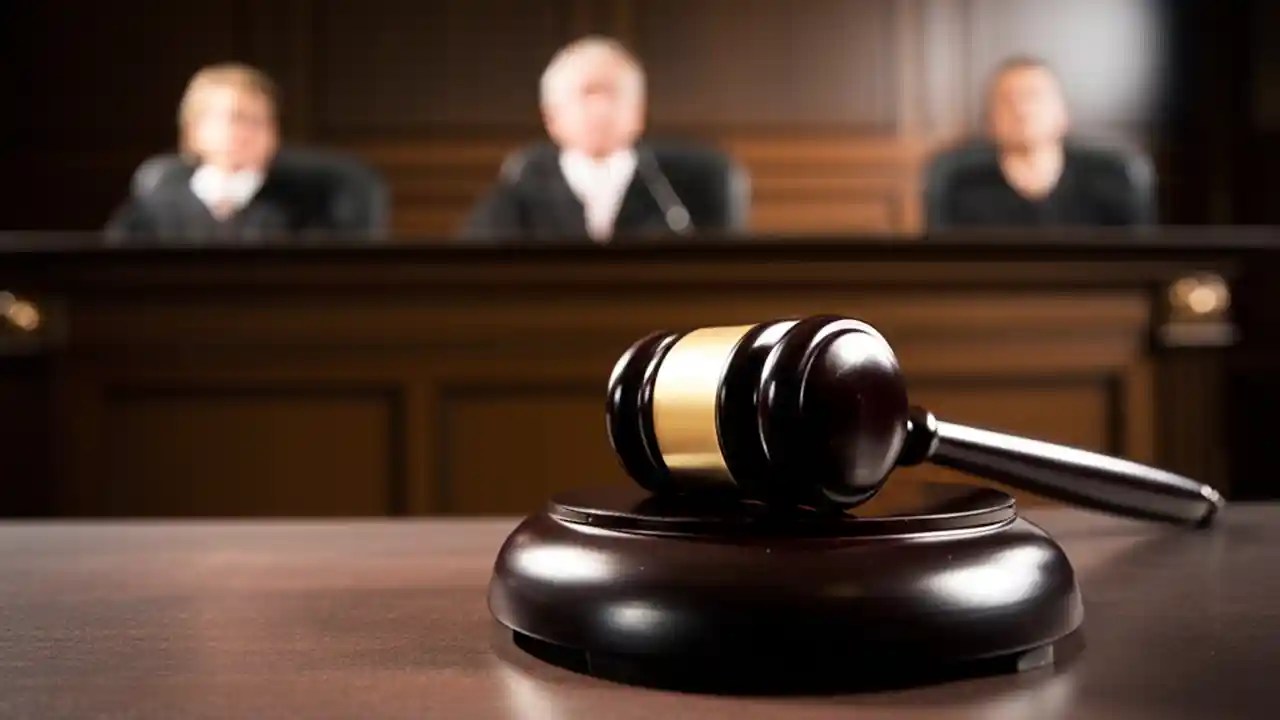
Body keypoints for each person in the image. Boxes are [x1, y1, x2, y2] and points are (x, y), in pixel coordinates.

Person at [461, 36, 747, 241]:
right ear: (550, 117)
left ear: (639, 112)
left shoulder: (679, 190)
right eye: (585, 94)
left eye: (613, 93)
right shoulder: (517, 194)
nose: (600, 110)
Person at [107, 63, 384, 240]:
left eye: (259, 121)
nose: (246, 132)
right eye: (233, 118)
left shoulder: (309, 208)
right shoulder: (153, 210)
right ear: (193, 130)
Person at [927, 56, 1153, 227]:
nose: (1021, 109)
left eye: (1033, 96)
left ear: (1063, 114)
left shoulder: (1111, 176)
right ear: (989, 120)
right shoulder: (959, 182)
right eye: (1007, 100)